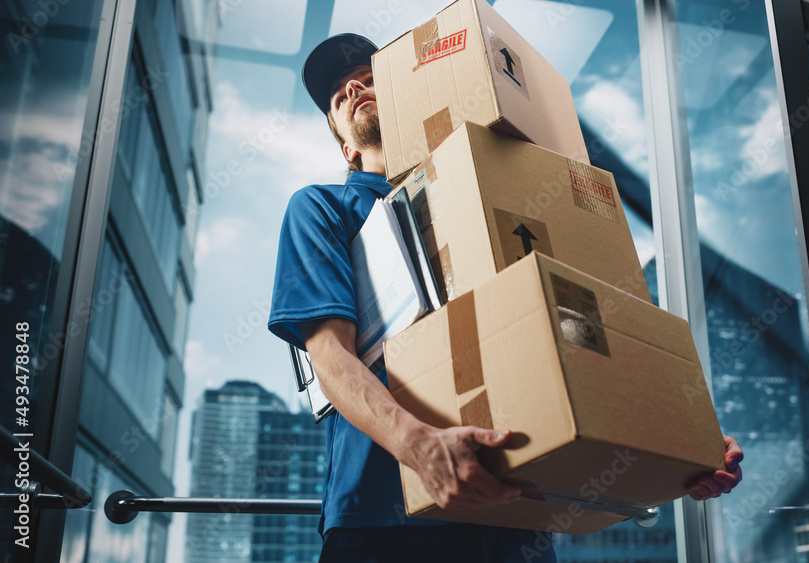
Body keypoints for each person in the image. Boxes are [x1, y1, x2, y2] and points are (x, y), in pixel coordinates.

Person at [267, 33, 744, 562]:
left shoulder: (486, 185)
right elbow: (330, 357)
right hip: (385, 514)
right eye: (339, 96)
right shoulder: (322, 209)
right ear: (346, 149)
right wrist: (419, 447)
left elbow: (583, 319)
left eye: (367, 77)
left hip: (517, 509)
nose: (354, 88)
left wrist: (685, 440)